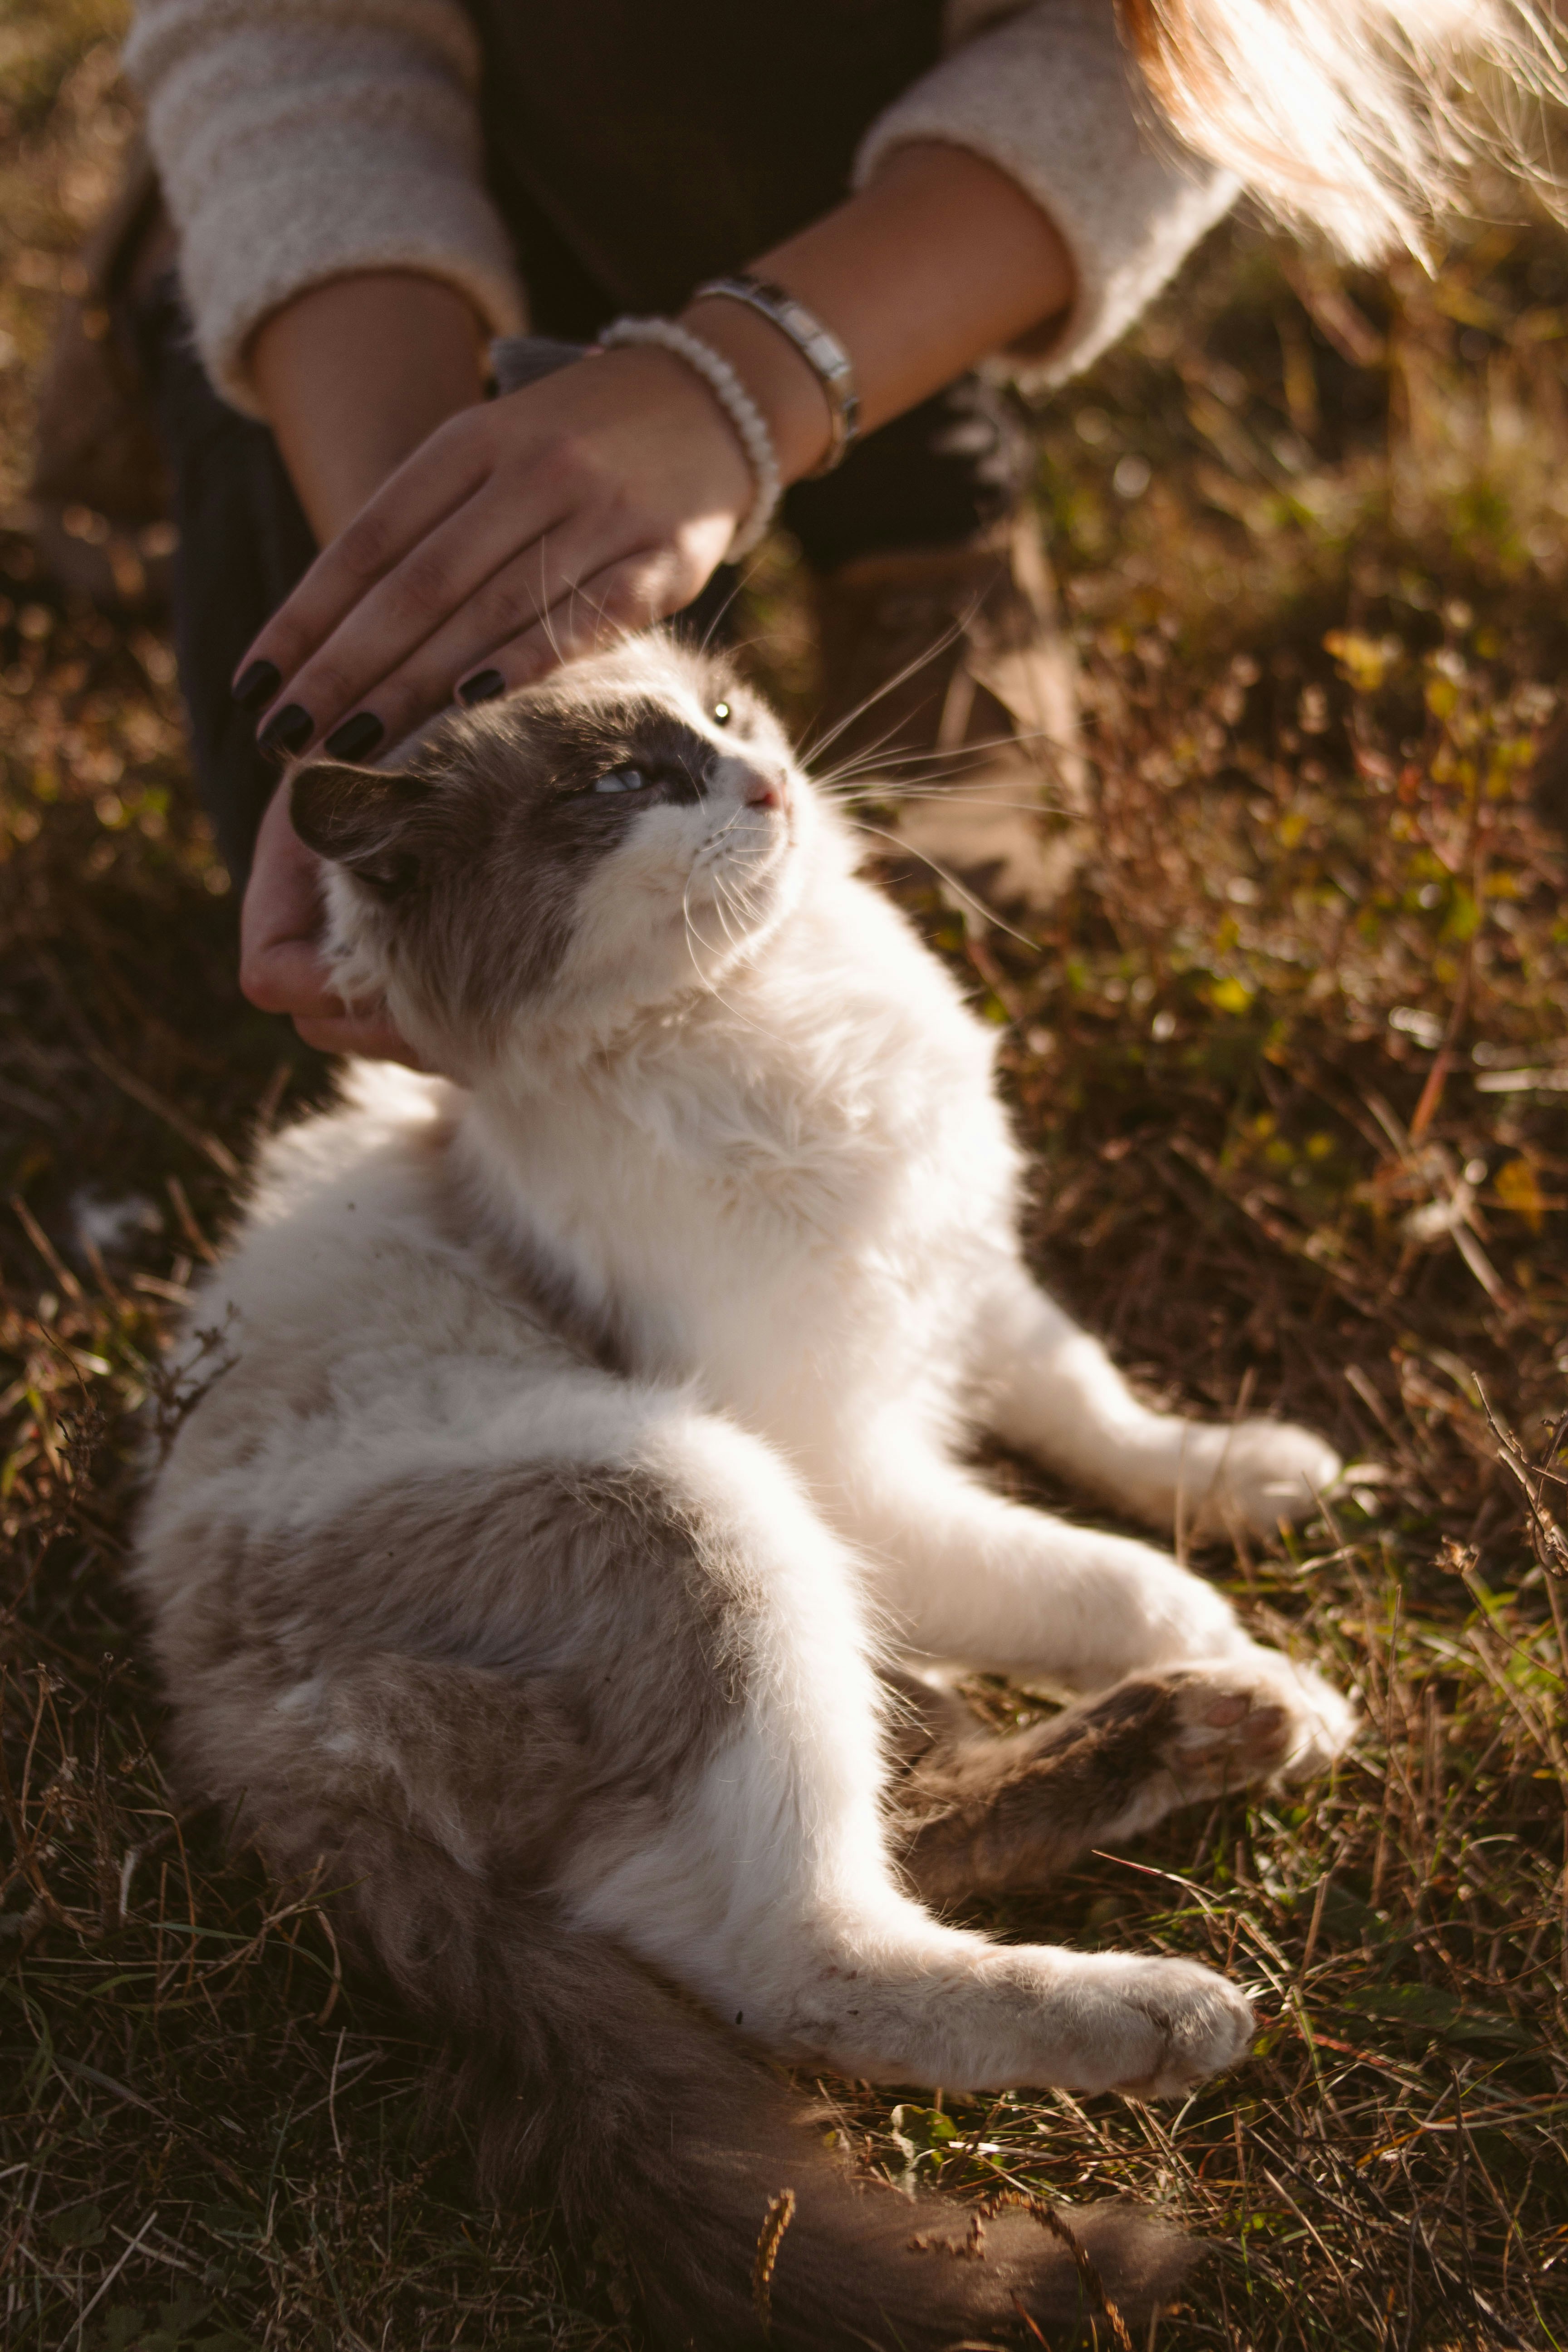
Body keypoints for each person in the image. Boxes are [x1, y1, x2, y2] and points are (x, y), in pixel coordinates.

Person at [121, 0, 1563, 1060]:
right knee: (346, 980)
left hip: (887, 143)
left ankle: (911, 474)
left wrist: (737, 390)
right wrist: (421, 584)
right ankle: (185, 273)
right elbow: (282, 28)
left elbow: (1177, 50)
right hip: (438, 137)